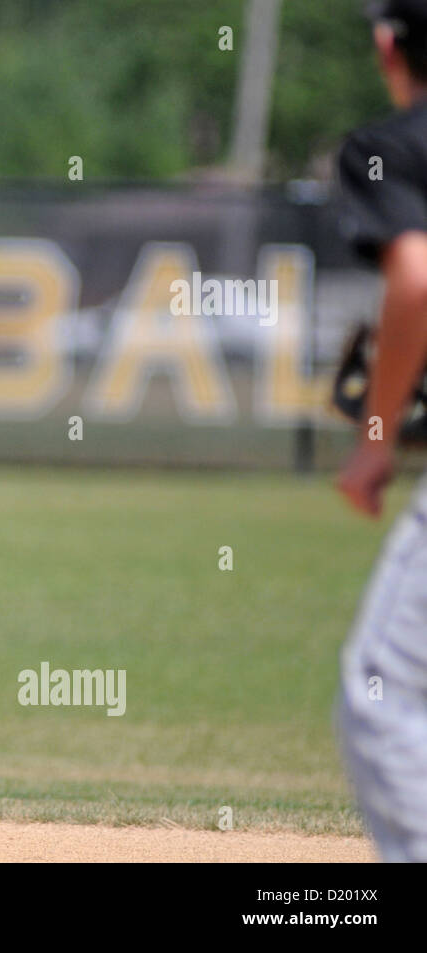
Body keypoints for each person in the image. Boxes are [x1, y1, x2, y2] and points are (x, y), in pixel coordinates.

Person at [334, 1, 427, 862]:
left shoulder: (393, 147)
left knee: (381, 695)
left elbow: (416, 277)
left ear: (389, 44)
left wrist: (376, 436)